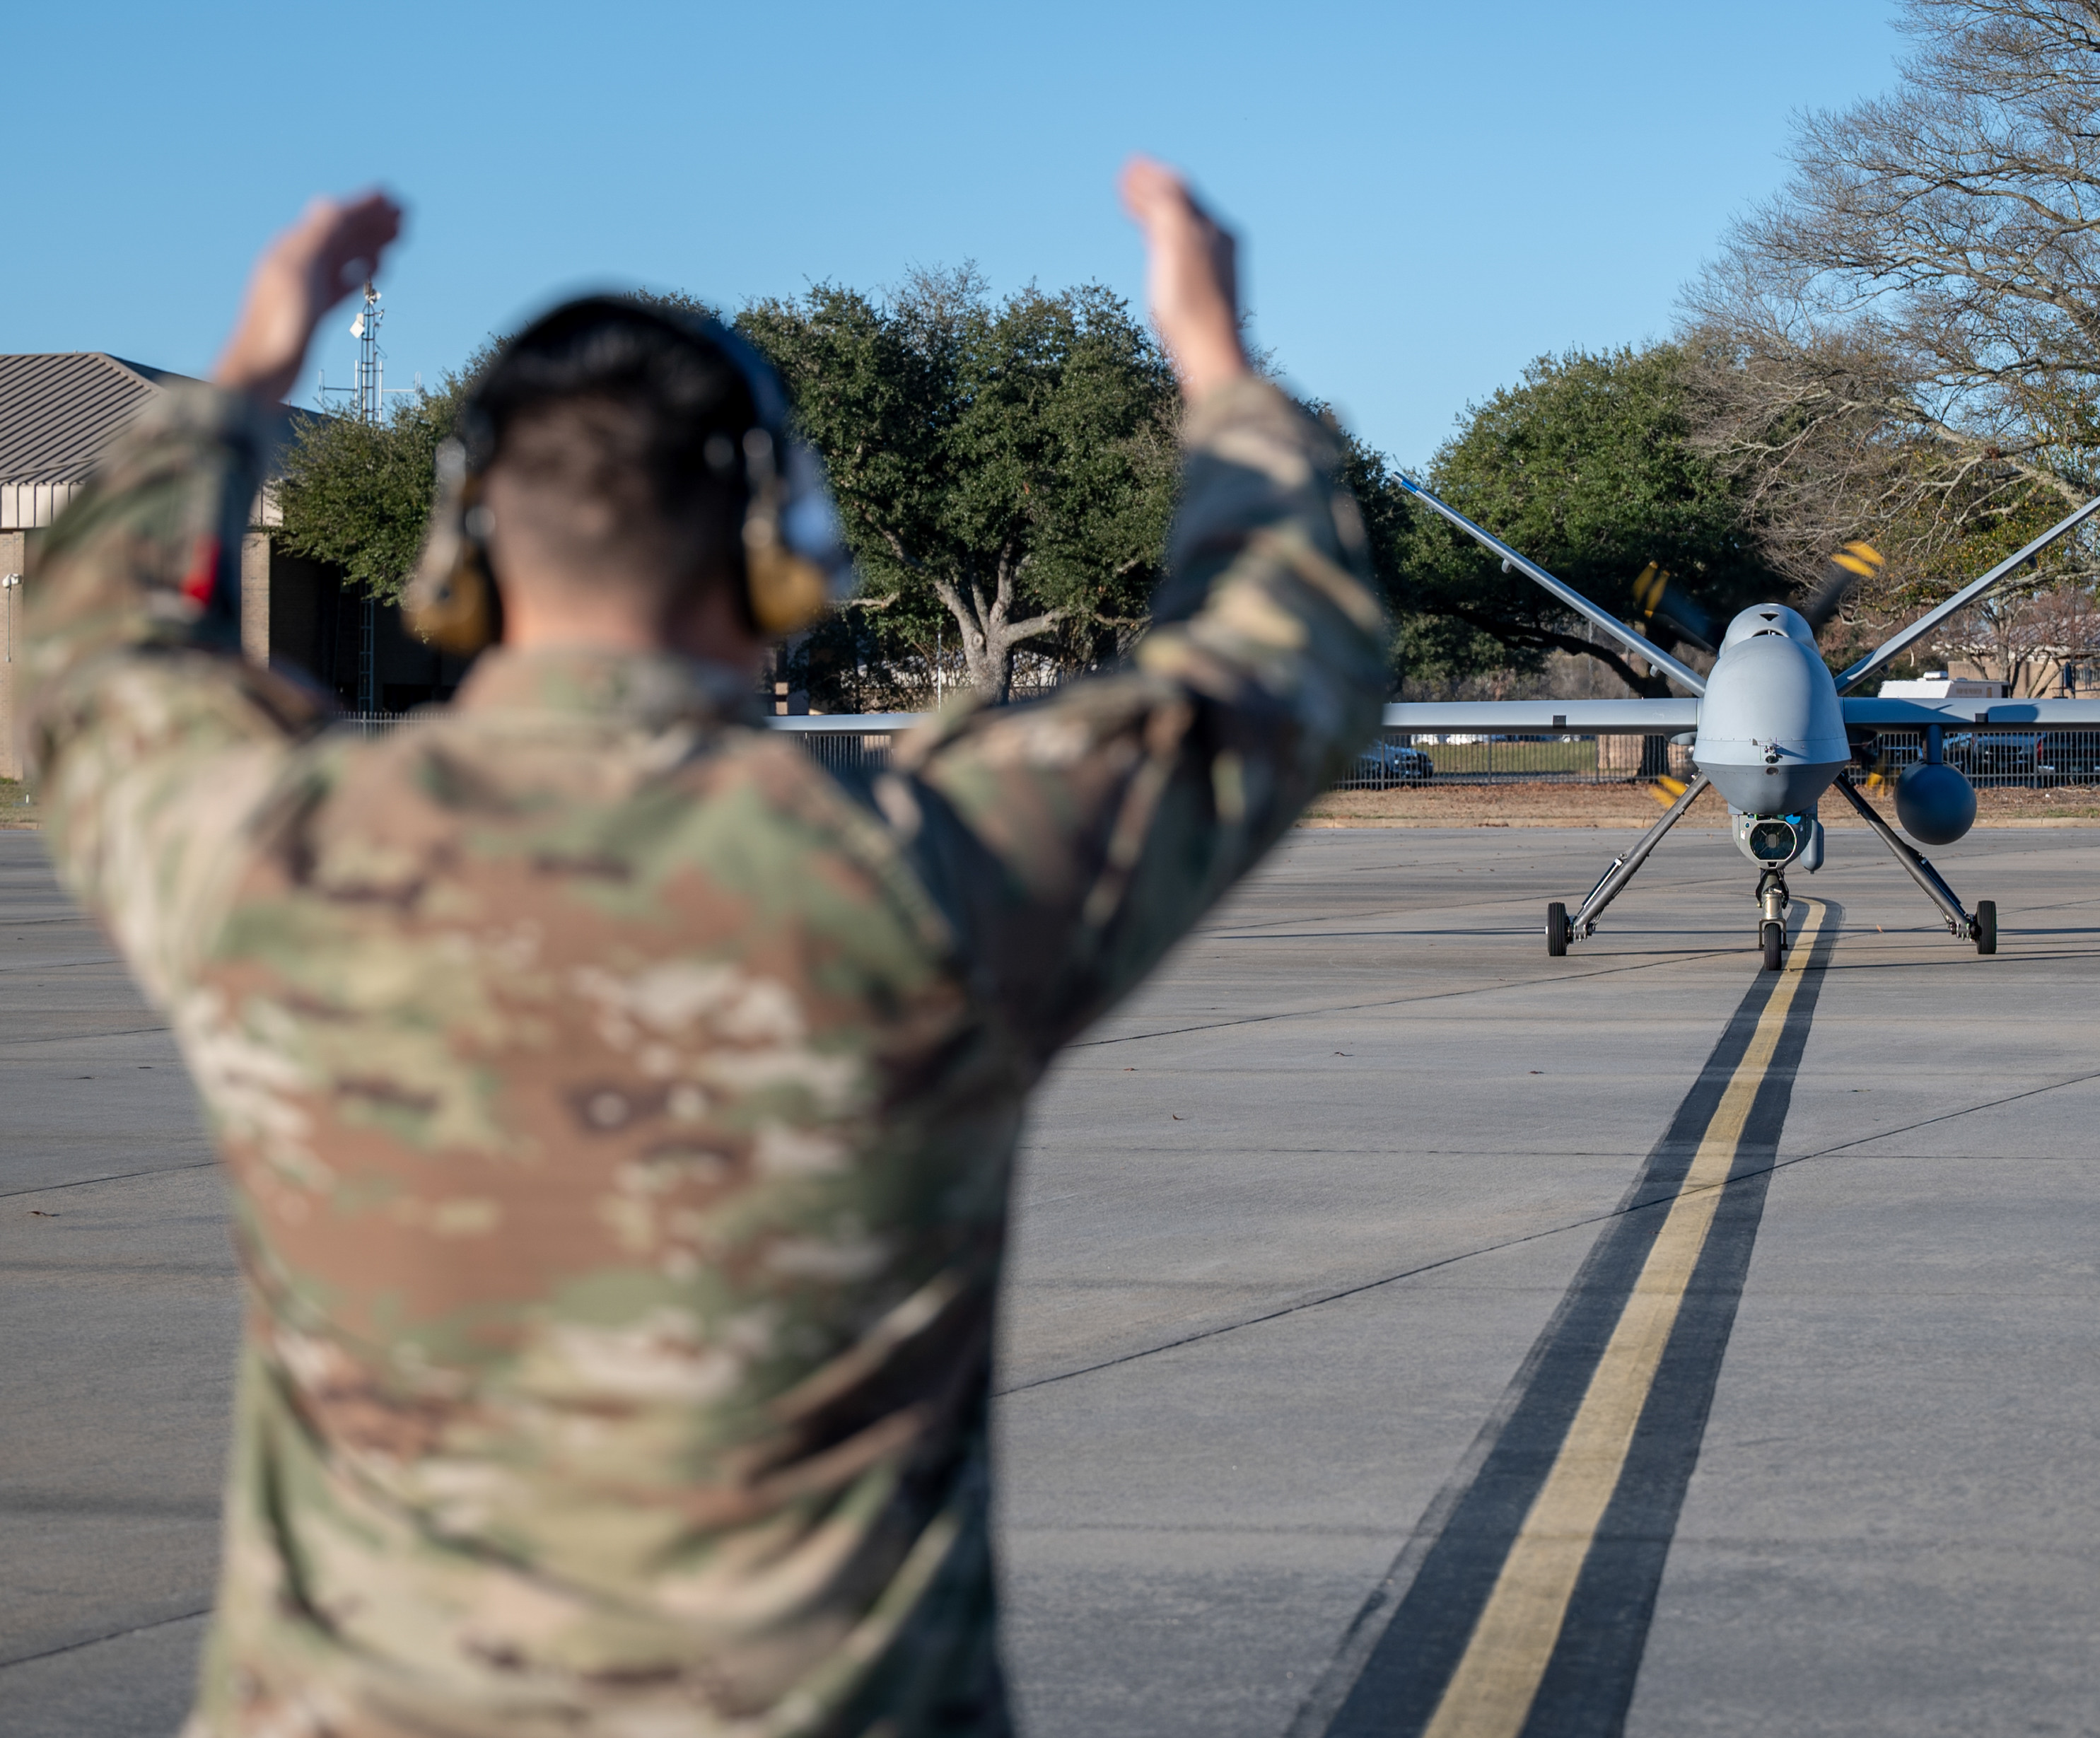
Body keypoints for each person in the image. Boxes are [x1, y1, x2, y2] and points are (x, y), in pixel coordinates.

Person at [19, 164, 1389, 1737]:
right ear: (775, 546)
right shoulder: (921, 878)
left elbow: (83, 657)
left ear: (462, 555)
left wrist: (254, 369)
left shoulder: (275, 856)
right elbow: (1288, 653)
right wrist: (1211, 360)